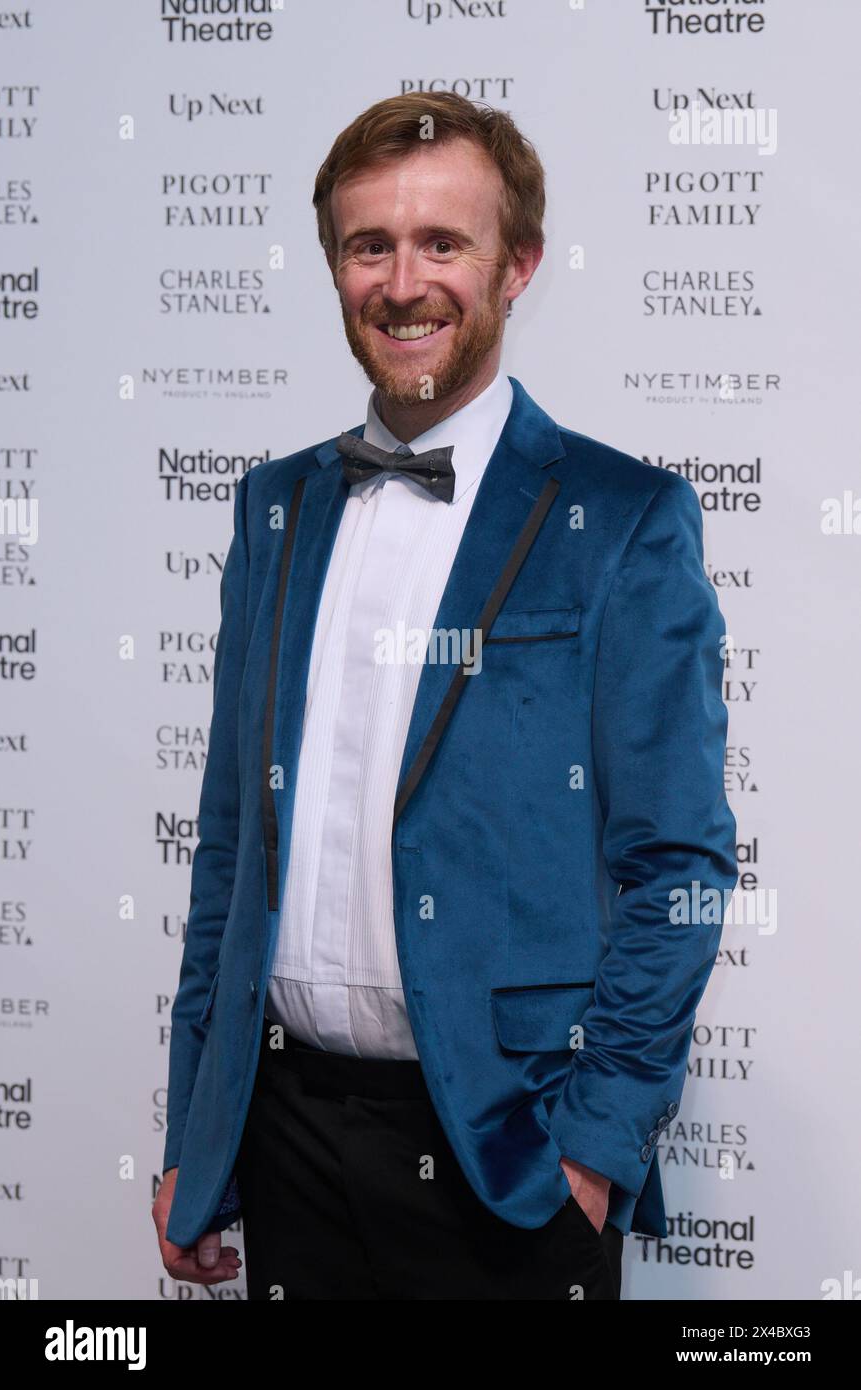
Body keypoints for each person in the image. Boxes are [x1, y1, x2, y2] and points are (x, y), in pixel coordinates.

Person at [152, 91, 738, 1301]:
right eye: (370, 246)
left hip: (509, 1155)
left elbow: (675, 862)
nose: (402, 282)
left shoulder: (620, 520)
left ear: (514, 263)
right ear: (333, 267)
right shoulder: (275, 509)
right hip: (286, 1137)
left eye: (442, 244)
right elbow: (229, 855)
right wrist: (192, 1136)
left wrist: (592, 1145)